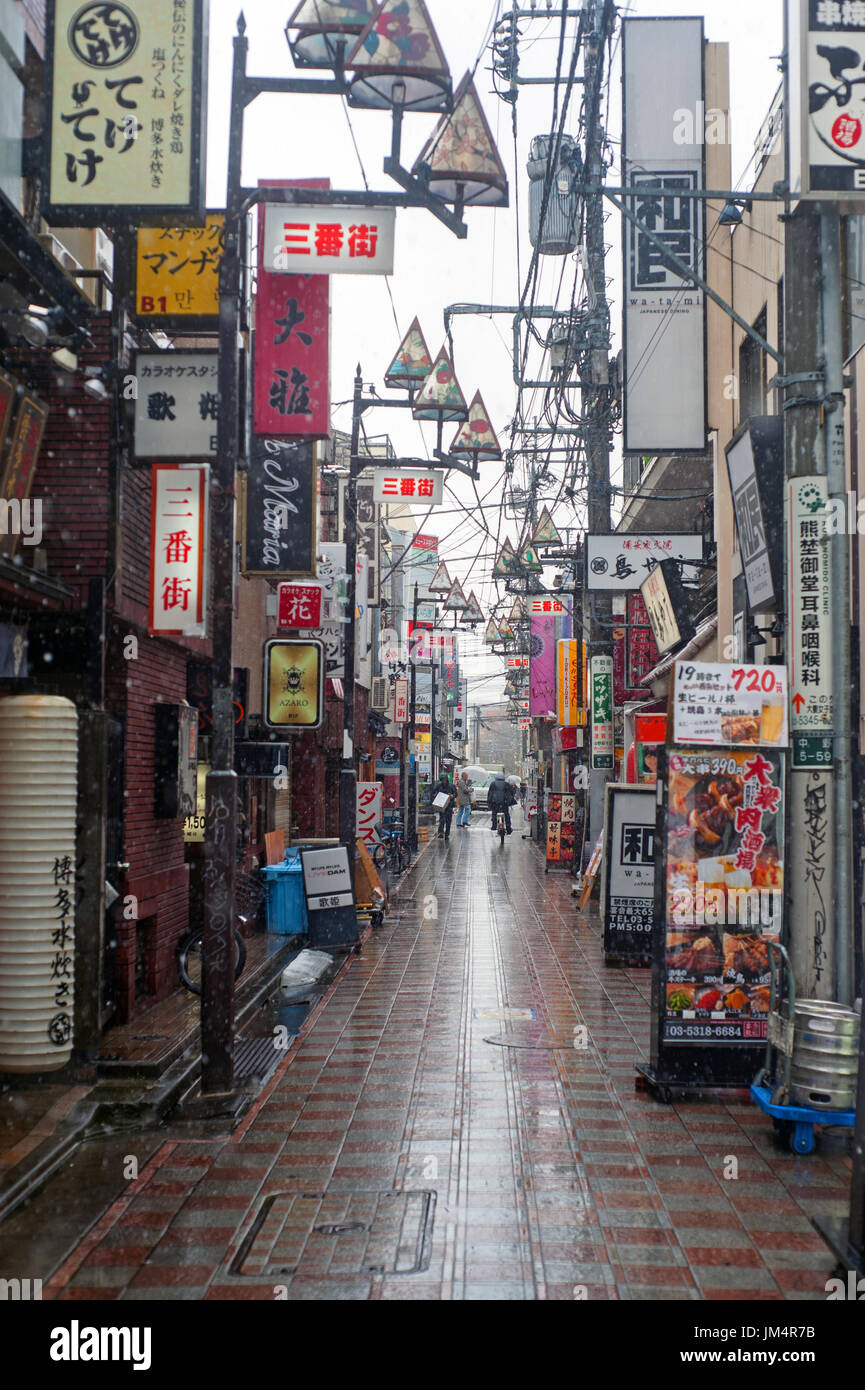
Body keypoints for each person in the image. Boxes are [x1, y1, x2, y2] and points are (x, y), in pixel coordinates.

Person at [435, 772, 456, 840]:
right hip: (441, 806)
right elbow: (433, 792)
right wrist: (435, 795)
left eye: (444, 779)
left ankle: (447, 834)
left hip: (449, 806)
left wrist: (452, 796)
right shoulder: (438, 786)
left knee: (448, 821)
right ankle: (441, 832)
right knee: (442, 820)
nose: (443, 781)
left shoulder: (451, 786)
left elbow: (455, 794)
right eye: (442, 780)